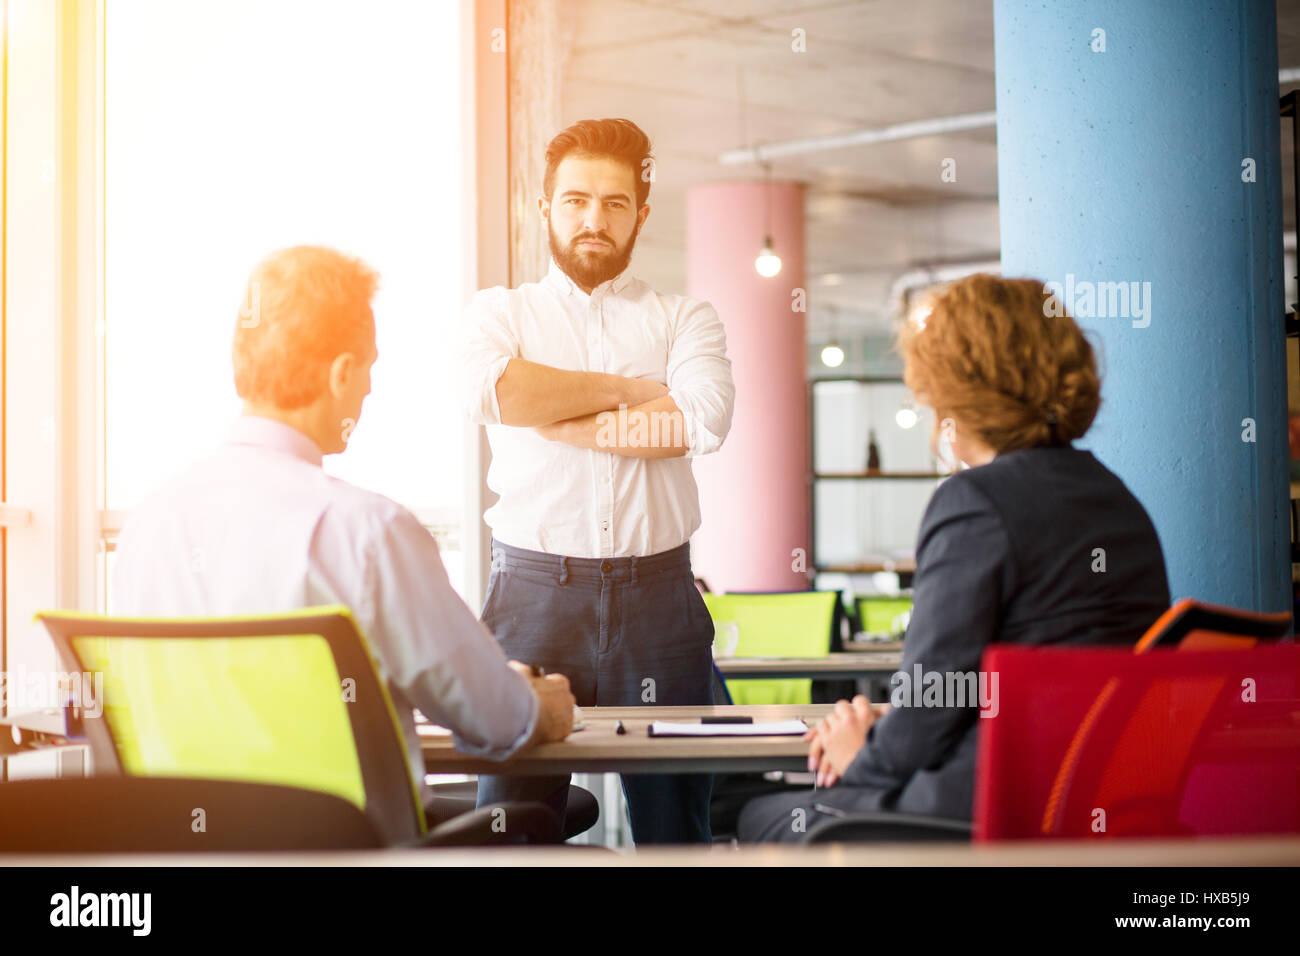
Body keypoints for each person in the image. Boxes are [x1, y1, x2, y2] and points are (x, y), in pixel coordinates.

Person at [112, 245, 576, 842]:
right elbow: (493, 720)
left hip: (185, 855)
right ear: (338, 374)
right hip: (354, 853)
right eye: (369, 367)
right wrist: (538, 702)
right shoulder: (367, 532)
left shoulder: (147, 526)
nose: (370, 390)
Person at [738, 273, 1171, 842]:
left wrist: (858, 755)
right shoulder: (1120, 503)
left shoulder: (976, 501)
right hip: (1097, 802)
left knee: (749, 811)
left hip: (984, 809)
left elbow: (927, 708)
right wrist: (887, 728)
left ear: (954, 393)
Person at [458, 118, 735, 844]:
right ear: (543, 207)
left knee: (678, 836)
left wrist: (560, 411)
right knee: (511, 834)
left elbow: (699, 422)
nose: (594, 219)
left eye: (615, 204)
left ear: (641, 215)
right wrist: (635, 390)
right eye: (575, 199)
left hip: (661, 605)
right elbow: (497, 394)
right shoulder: (499, 313)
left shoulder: (686, 319)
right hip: (532, 601)